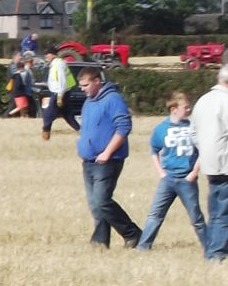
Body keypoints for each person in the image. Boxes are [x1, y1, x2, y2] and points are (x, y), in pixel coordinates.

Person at [74, 62, 142, 248]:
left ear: (97, 81)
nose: (83, 89)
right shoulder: (88, 102)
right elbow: (85, 129)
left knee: (102, 201)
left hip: (108, 160)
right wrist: (81, 149)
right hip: (88, 160)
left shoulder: (113, 99)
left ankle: (133, 233)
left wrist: (107, 152)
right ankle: (100, 241)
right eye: (81, 86)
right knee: (95, 205)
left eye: (86, 85)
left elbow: (124, 127)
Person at [135, 93, 207, 252]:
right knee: (155, 215)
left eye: (189, 106)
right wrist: (161, 172)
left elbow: (203, 150)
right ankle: (143, 246)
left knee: (196, 218)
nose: (189, 110)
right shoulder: (161, 129)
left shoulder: (193, 127)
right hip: (168, 179)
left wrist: (194, 172)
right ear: (174, 109)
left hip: (187, 179)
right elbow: (154, 150)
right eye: (185, 107)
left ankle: (210, 248)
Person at [191, 58, 228, 262]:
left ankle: (213, 249)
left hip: (209, 162)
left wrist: (205, 149)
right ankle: (216, 253)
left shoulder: (203, 100)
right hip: (225, 162)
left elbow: (193, 132)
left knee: (215, 210)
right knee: (223, 211)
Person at [40, 49, 81, 139]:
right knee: (68, 115)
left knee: (48, 114)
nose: (46, 56)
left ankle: (45, 135)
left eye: (48, 54)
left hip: (59, 93)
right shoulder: (56, 64)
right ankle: (82, 132)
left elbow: (62, 81)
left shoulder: (58, 64)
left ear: (53, 55)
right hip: (61, 93)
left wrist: (60, 95)